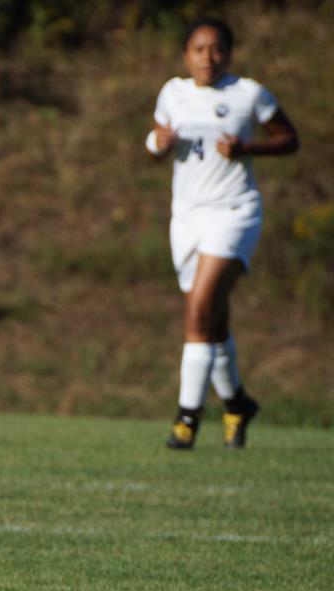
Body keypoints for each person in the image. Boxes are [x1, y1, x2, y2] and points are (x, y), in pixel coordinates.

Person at [146, 16, 299, 449]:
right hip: (187, 218)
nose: (207, 57)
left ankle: (186, 420)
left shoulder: (248, 94)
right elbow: (158, 143)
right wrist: (157, 144)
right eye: (199, 49)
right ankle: (236, 402)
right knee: (212, 321)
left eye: (216, 49)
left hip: (234, 212)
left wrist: (246, 148)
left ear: (228, 54)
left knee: (197, 313)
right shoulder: (172, 93)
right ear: (185, 54)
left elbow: (289, 138)